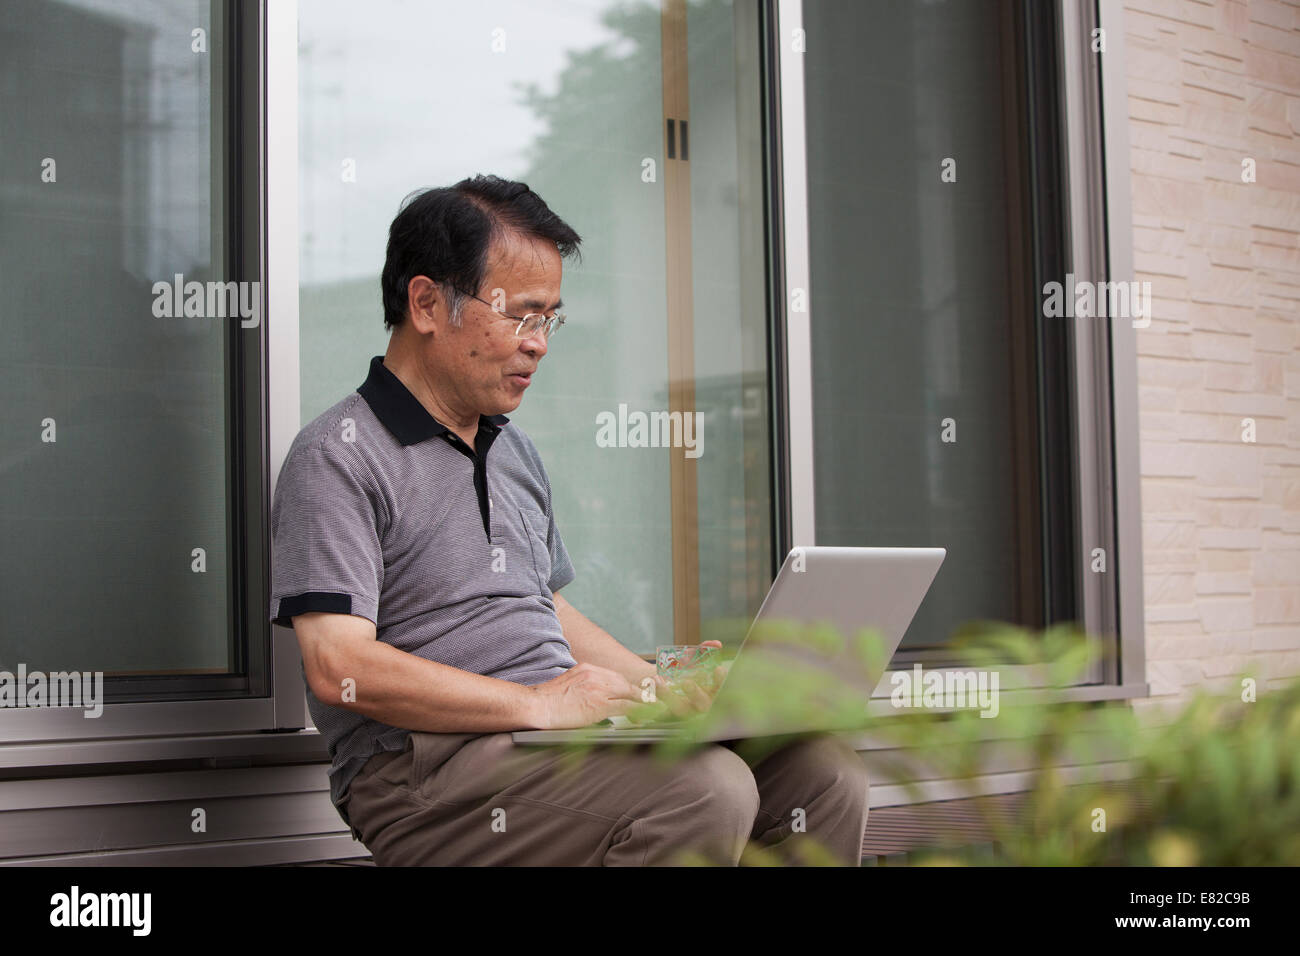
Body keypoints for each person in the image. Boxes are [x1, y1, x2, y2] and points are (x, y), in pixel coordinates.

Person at [268, 174, 869, 865]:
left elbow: (545, 610)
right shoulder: (337, 454)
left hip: (552, 745)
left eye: (549, 317)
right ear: (428, 303)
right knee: (705, 789)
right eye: (520, 315)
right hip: (421, 770)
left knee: (824, 775)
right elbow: (337, 663)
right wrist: (538, 705)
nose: (540, 344)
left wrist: (665, 689)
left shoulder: (511, 448)